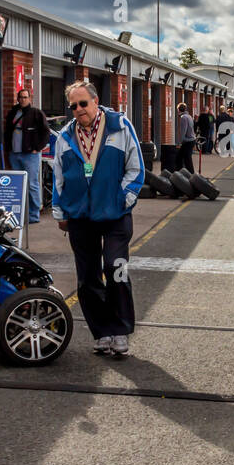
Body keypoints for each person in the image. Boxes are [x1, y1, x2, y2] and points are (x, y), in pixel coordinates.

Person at [51, 80, 144, 357]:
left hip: (115, 214)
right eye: (73, 106)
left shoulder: (120, 127)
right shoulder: (65, 137)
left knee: (115, 268)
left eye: (83, 103)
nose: (78, 110)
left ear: (95, 101)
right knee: (87, 278)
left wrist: (123, 200)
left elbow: (136, 169)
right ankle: (102, 332)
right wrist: (61, 212)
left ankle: (121, 330)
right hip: (81, 216)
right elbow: (57, 178)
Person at [4, 87, 50, 223]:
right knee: (18, 185)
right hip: (14, 154)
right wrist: (8, 149)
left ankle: (34, 215)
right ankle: (19, 214)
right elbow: (7, 131)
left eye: (25, 97)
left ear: (29, 98)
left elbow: (46, 132)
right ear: (17, 99)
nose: (23, 99)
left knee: (31, 184)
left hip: (30, 155)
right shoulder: (13, 112)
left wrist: (38, 148)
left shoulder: (36, 113)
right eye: (21, 97)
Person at [176, 103, 197, 173]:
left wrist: (179, 143)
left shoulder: (183, 118)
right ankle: (182, 173)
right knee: (181, 157)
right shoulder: (189, 116)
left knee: (186, 159)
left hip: (188, 141)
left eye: (177, 110)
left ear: (179, 110)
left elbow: (183, 132)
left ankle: (191, 174)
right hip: (191, 140)